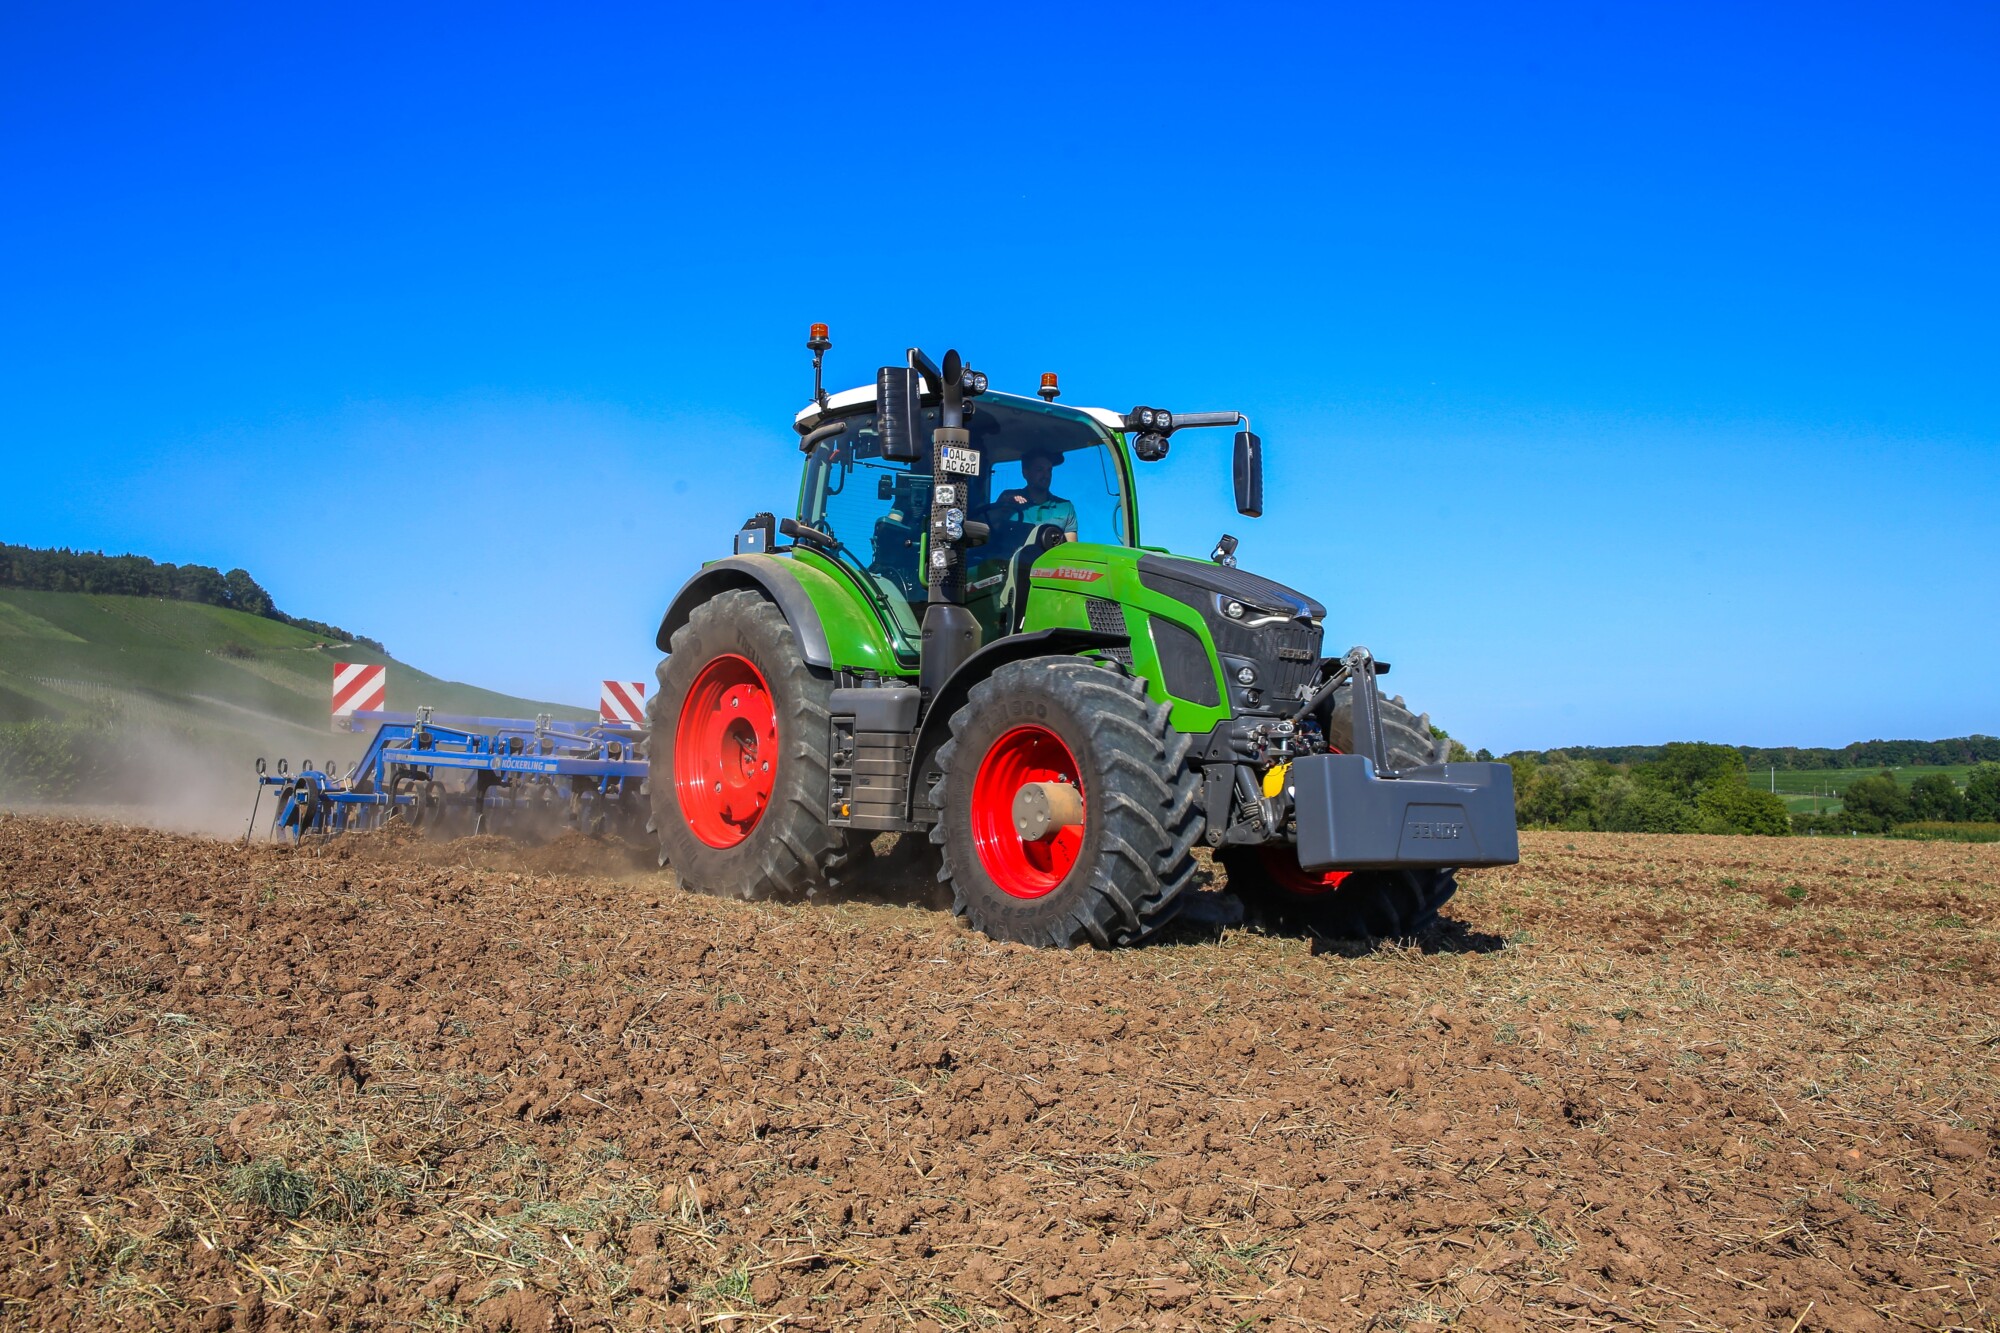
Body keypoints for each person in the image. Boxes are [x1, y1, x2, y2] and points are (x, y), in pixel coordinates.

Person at [992, 448, 1077, 536]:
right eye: (1039, 470)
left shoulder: (1065, 507)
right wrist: (1003, 508)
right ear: (1025, 473)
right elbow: (987, 529)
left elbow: (1071, 547)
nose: (1046, 475)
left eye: (1049, 470)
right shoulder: (1008, 498)